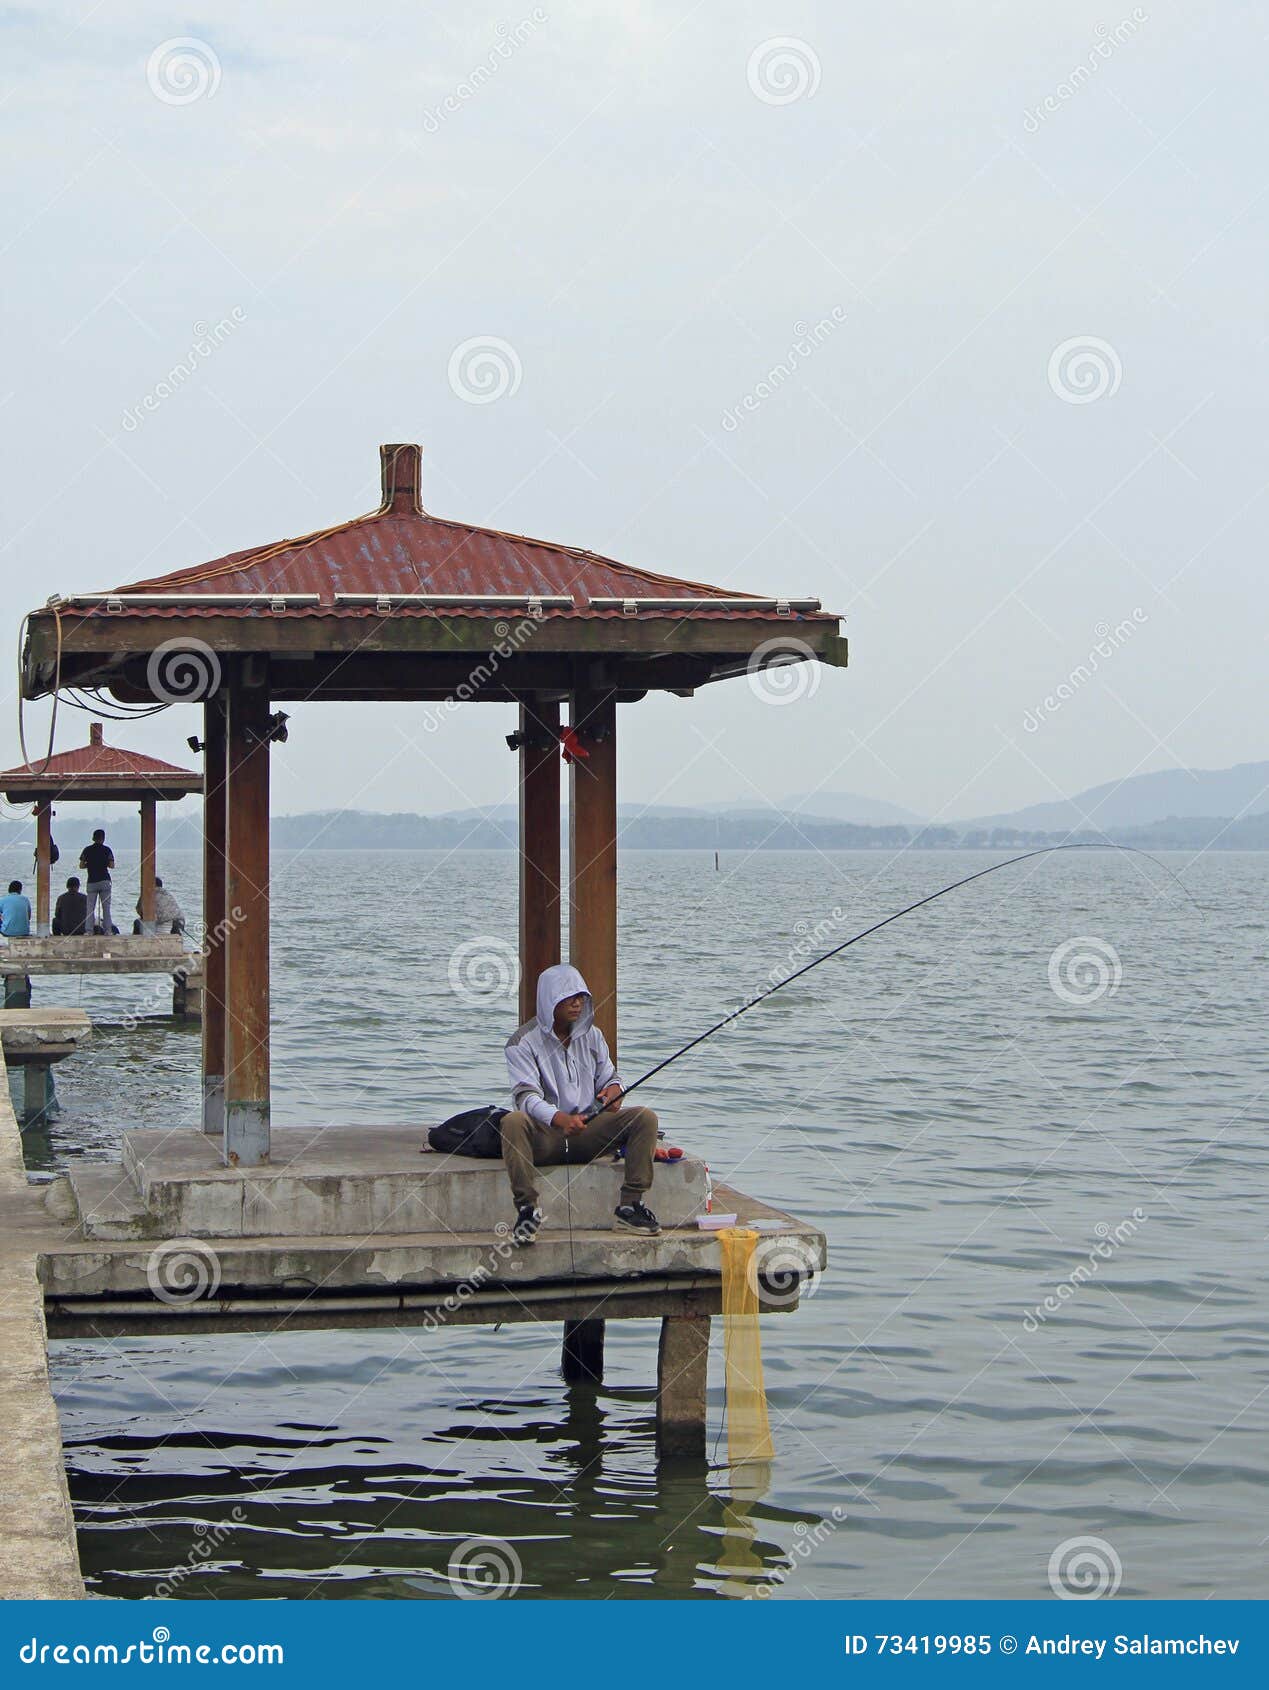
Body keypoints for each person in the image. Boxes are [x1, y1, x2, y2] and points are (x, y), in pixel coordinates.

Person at [501, 962, 661, 1246]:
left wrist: (615, 1090)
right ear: (550, 1000)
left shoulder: (593, 1036)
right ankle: (527, 1210)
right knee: (512, 1121)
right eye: (568, 997)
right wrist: (558, 1118)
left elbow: (610, 1075)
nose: (577, 1004)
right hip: (547, 1135)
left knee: (644, 1117)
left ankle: (630, 1207)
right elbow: (525, 1097)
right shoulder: (521, 1042)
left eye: (581, 998)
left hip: (588, 1130)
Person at [78, 828, 115, 935]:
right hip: (105, 881)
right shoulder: (107, 850)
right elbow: (112, 865)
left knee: (90, 908)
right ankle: (108, 930)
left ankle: (89, 931)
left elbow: (81, 865)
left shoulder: (87, 850)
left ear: (93, 838)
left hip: (92, 882)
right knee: (106, 908)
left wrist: (89, 865)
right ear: (103, 838)